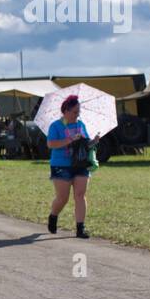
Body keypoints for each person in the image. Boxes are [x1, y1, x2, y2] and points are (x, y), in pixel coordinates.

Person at [46, 94, 91, 238]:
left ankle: (80, 228)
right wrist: (70, 139)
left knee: (80, 194)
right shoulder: (56, 125)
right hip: (61, 165)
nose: (77, 115)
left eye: (79, 112)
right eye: (74, 112)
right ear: (65, 111)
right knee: (62, 198)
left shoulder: (80, 124)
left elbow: (86, 143)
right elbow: (51, 144)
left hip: (80, 163)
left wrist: (93, 141)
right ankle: (53, 215)